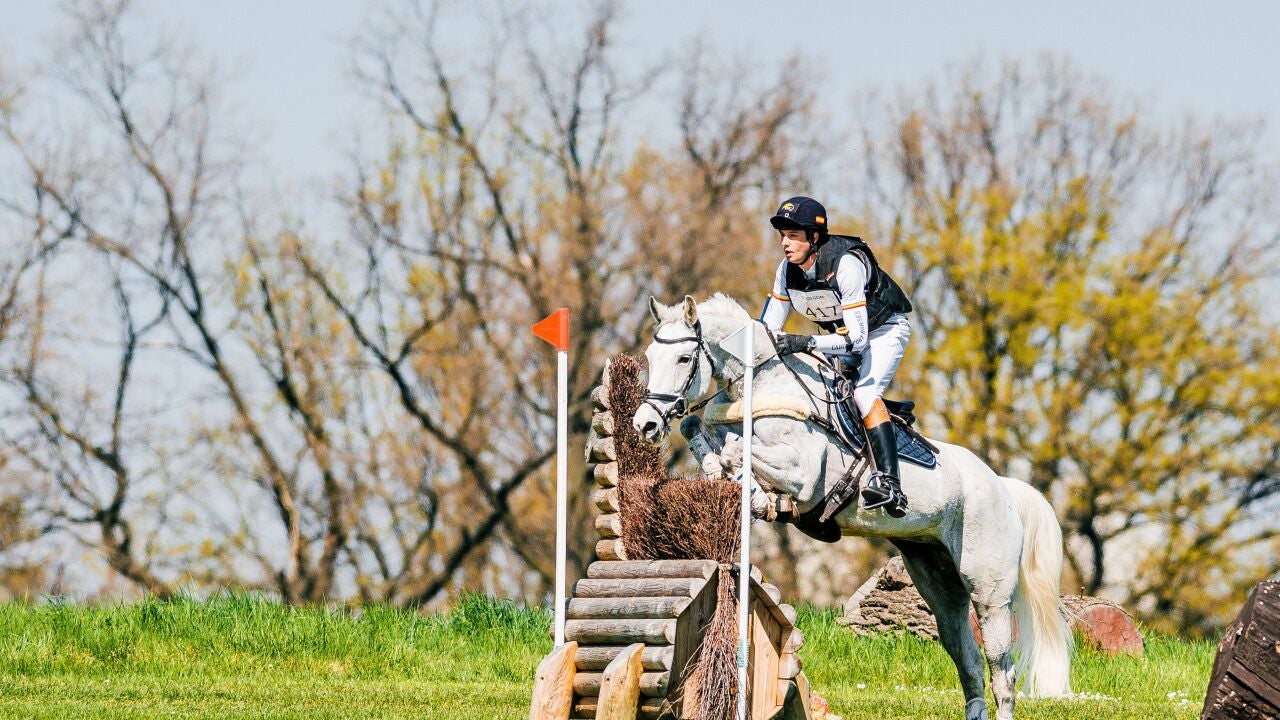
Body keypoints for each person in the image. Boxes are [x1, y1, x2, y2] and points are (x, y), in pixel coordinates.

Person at [760, 196, 914, 518]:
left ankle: (890, 484)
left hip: (881, 332)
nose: (785, 244)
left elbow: (857, 341)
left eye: (794, 236)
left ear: (814, 238)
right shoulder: (786, 272)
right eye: (783, 236)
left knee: (864, 392)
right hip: (842, 338)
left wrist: (805, 341)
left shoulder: (845, 264)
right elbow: (767, 331)